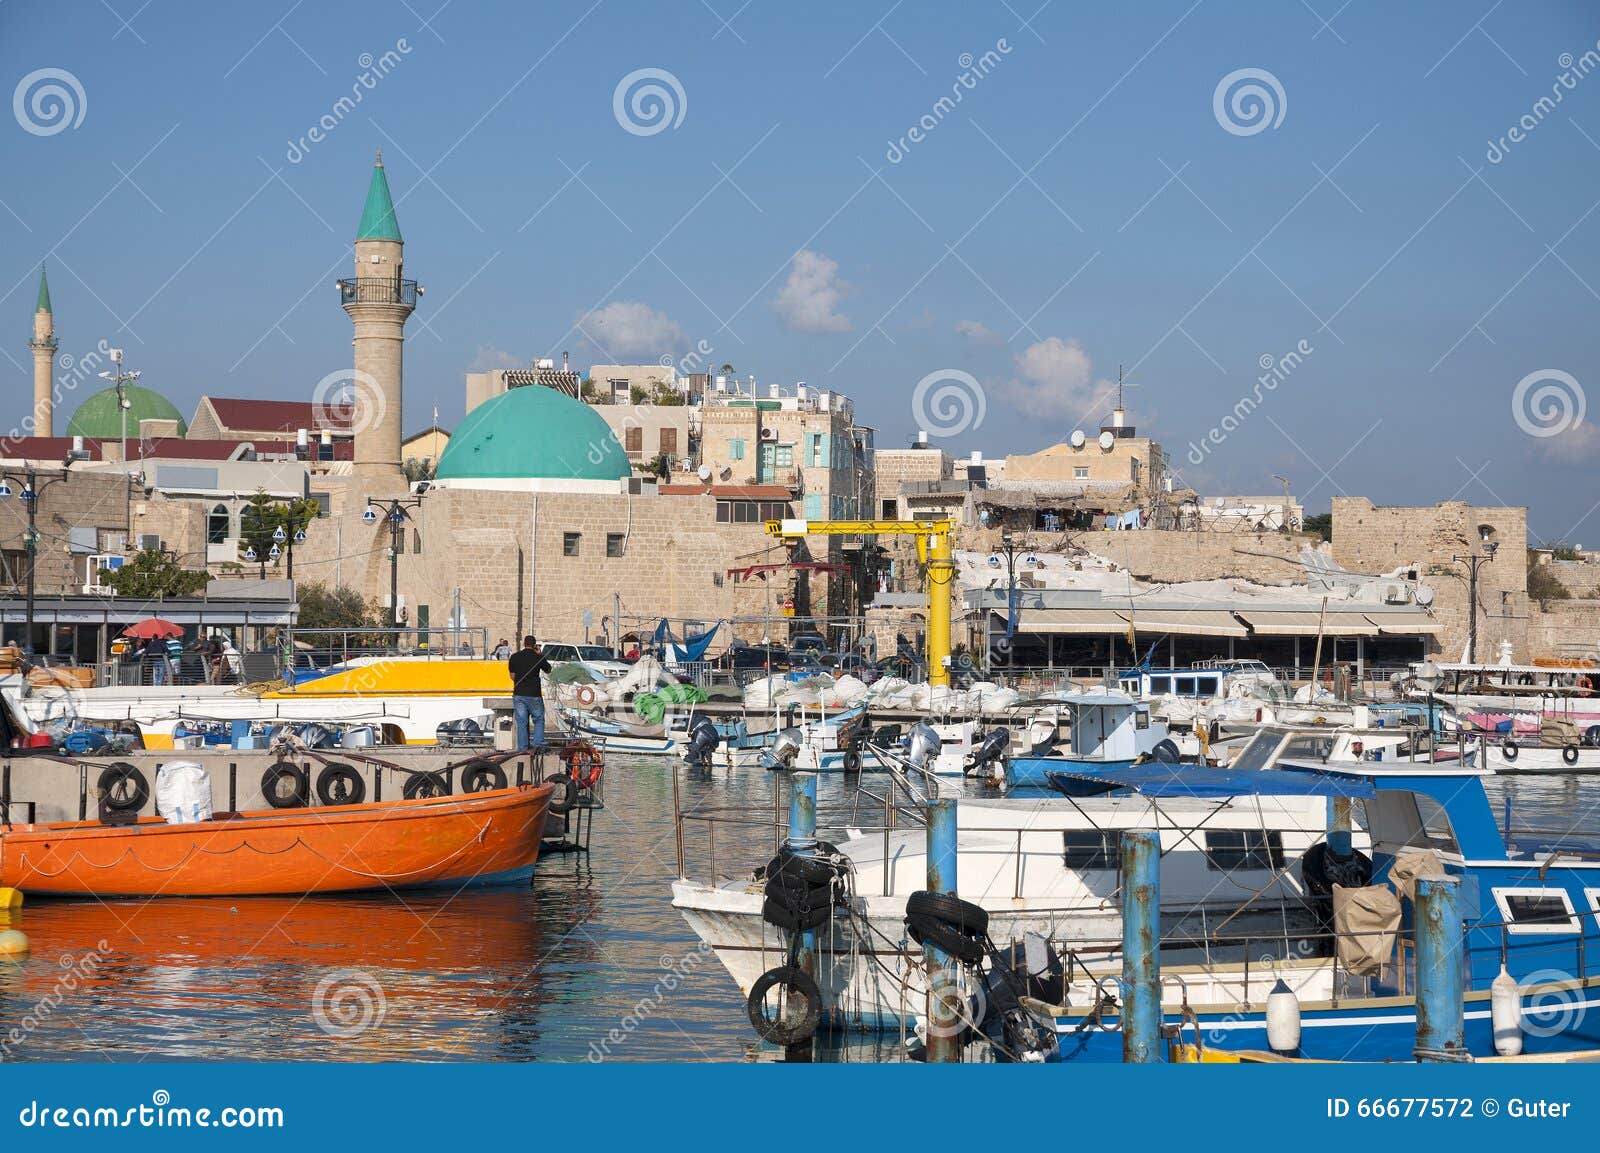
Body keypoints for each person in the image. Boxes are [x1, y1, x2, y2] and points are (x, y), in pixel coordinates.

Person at [507, 634, 552, 752]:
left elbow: (512, 676)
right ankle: (537, 746)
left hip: (519, 694)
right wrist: (540, 654)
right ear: (534, 645)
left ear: (524, 644)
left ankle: (523, 749)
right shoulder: (538, 657)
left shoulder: (515, 657)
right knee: (538, 719)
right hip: (534, 694)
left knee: (521, 722)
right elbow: (548, 669)